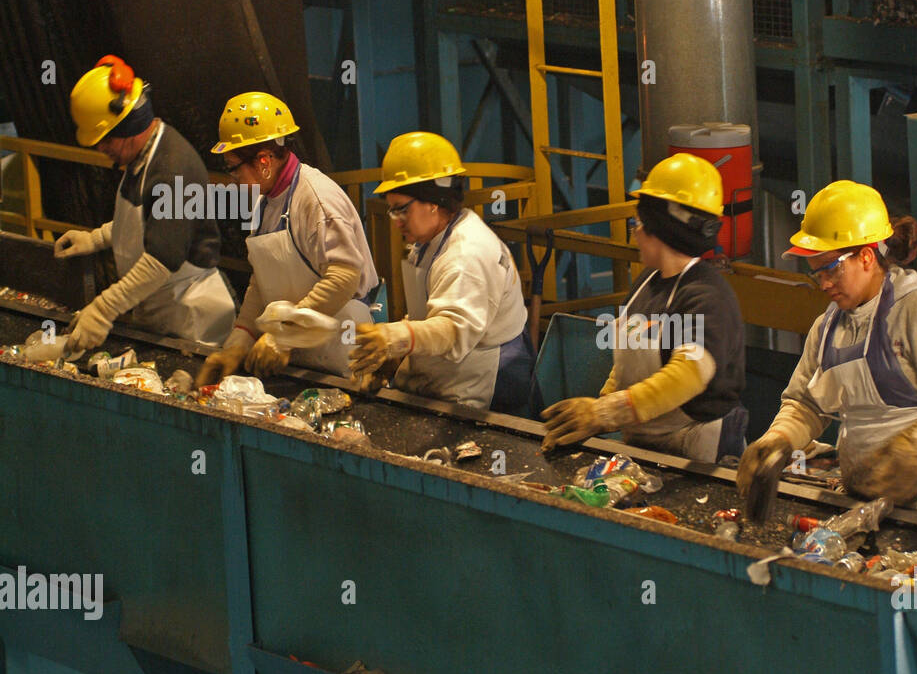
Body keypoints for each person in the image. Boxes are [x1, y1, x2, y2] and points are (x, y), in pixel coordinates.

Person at [738, 181, 917, 508]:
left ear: (867, 256)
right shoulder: (829, 327)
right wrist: (776, 441)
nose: (824, 284)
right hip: (869, 500)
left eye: (831, 269)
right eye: (816, 272)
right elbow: (805, 403)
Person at [541, 153, 747, 461]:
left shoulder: (706, 296)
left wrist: (604, 413)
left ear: (660, 228)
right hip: (643, 443)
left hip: (696, 450)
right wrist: (598, 408)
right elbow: (626, 363)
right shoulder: (646, 283)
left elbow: (689, 374)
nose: (634, 232)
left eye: (638, 223)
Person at [196, 92, 379, 384]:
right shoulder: (266, 202)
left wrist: (284, 336)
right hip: (298, 355)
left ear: (264, 161)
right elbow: (262, 280)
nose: (233, 178)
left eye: (233, 168)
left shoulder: (317, 201)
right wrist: (238, 341)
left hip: (339, 352)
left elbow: (343, 277)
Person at [347, 131, 532, 412]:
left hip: (484, 387)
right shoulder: (433, 240)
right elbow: (432, 310)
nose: (396, 222)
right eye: (392, 212)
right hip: (451, 375)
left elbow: (453, 330)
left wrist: (395, 337)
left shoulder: (466, 255)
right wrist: (393, 359)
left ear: (433, 201)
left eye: (401, 210)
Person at [59, 55, 234, 351]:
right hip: (162, 309)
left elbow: (160, 260)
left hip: (190, 321)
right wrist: (97, 238)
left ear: (128, 125)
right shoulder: (144, 155)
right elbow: (146, 223)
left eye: (106, 139)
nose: (102, 148)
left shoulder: (171, 170)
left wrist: (103, 309)